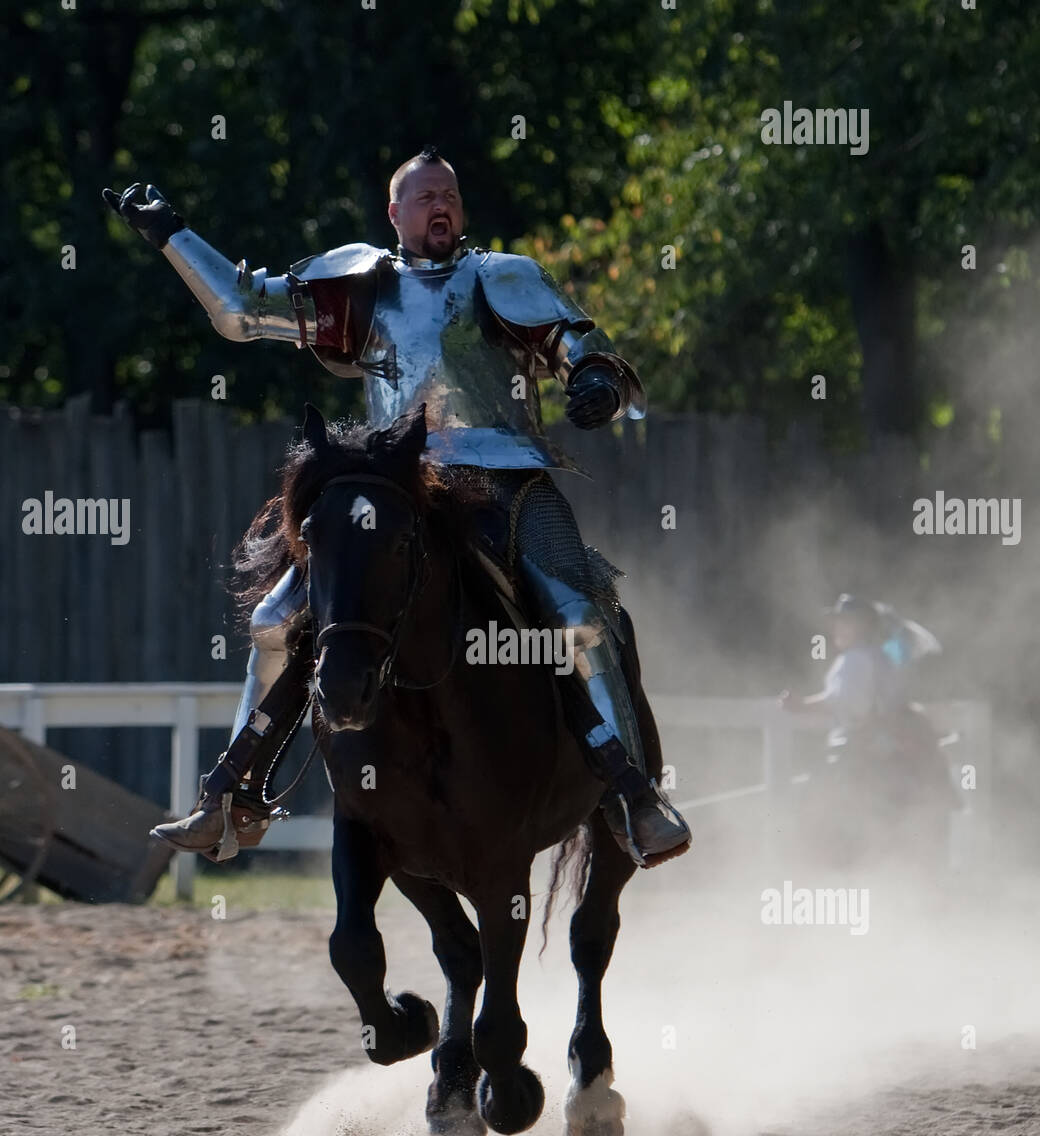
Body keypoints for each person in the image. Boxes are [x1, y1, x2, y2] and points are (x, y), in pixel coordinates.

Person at [102, 147, 691, 868]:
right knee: (274, 619)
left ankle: (633, 795)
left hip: (507, 482)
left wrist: (593, 381)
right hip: (399, 484)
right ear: (396, 214)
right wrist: (172, 235)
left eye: (449, 193)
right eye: (424, 197)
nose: (440, 205)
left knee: (577, 613)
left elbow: (577, 344)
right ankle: (233, 793)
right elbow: (241, 311)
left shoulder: (502, 276)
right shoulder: (361, 284)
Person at [781, 594, 951, 867]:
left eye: (844, 622)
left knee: (824, 819)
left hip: (857, 754)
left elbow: (851, 707)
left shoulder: (856, 660)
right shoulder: (878, 658)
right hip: (882, 753)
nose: (837, 628)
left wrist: (802, 706)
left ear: (860, 625)